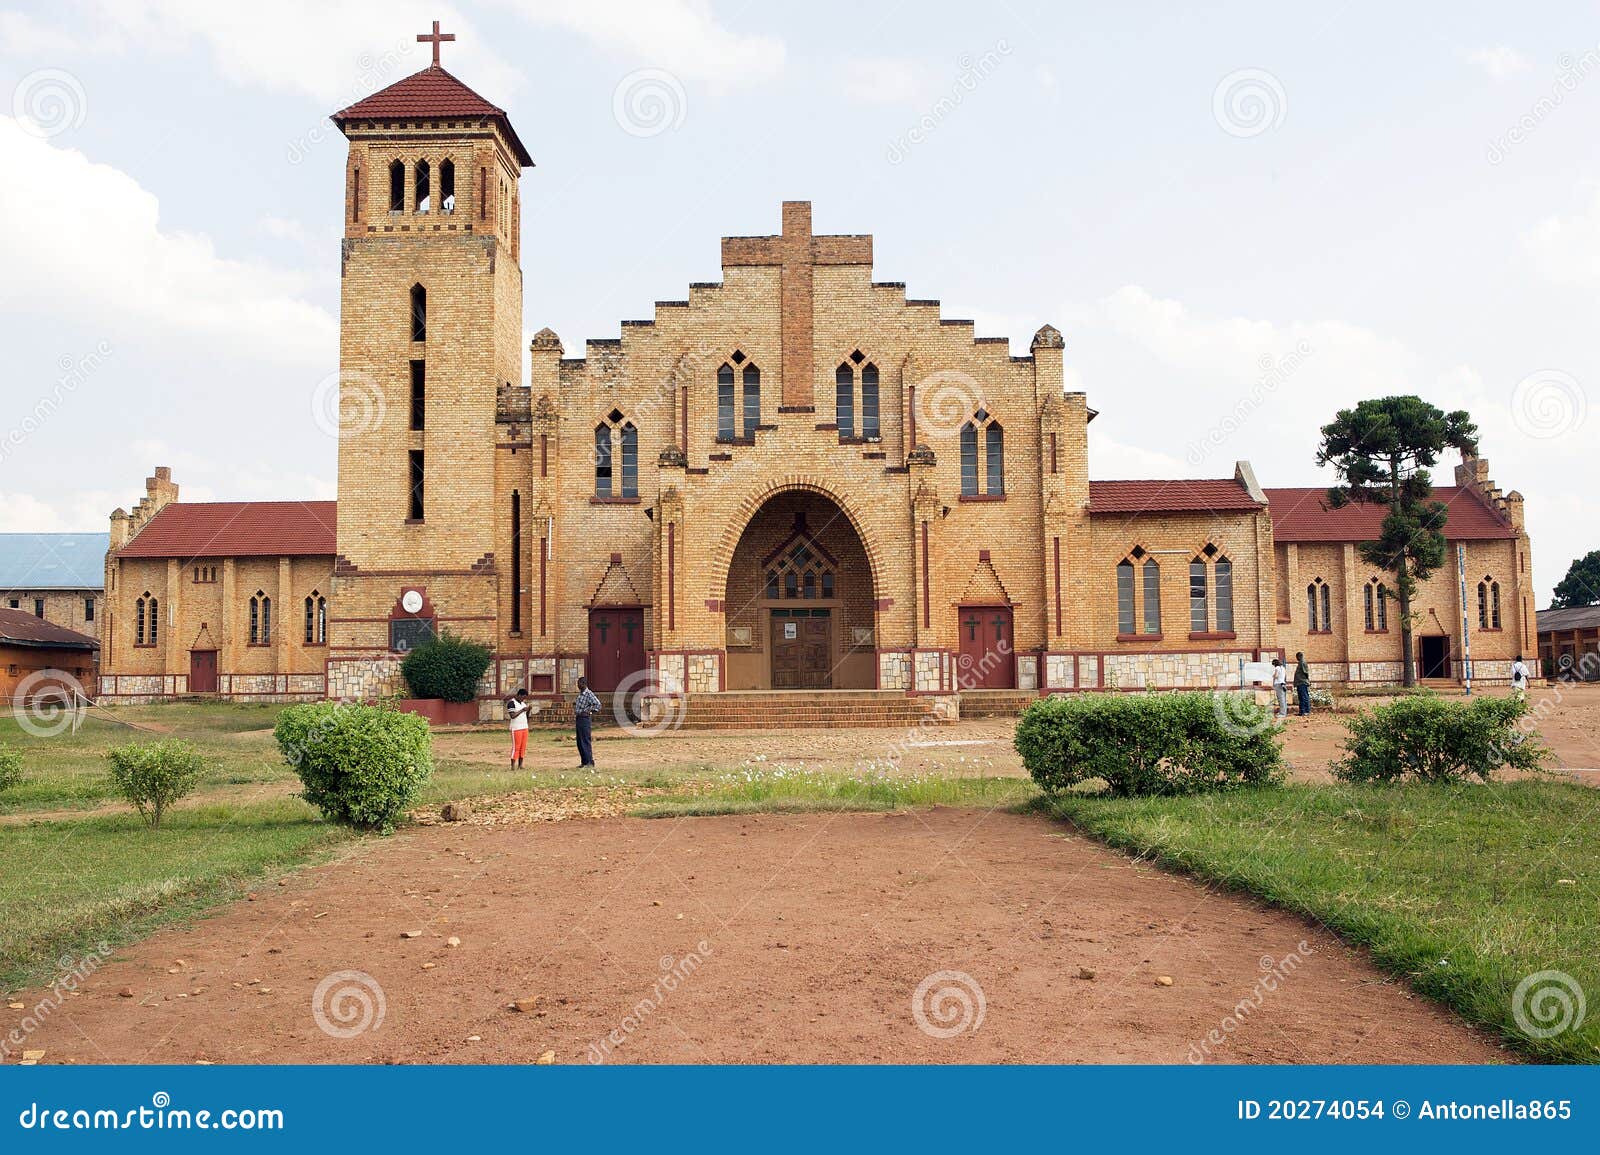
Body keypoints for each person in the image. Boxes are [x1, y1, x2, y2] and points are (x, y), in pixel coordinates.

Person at [573, 676, 602, 769]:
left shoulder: (589, 694)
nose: (578, 685)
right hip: (579, 718)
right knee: (579, 741)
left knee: (585, 740)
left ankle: (590, 762)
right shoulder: (581, 694)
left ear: (583, 684)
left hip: (585, 719)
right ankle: (584, 762)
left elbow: (598, 704)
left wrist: (589, 711)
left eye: (579, 683)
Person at [506, 688, 530, 769]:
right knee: (516, 747)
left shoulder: (523, 704)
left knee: (523, 747)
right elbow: (512, 716)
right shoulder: (511, 703)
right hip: (516, 728)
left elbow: (526, 716)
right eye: (523, 697)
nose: (524, 699)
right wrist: (522, 710)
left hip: (524, 727)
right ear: (519, 695)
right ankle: (512, 766)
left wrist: (528, 710)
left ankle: (520, 765)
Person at [1294, 651, 1312, 717]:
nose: (1296, 658)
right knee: (1301, 697)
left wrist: (1307, 680)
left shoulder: (1302, 662)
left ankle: (1306, 711)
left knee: (1304, 697)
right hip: (1299, 682)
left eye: (1297, 657)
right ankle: (1302, 711)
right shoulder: (1300, 662)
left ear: (1299, 656)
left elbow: (1306, 672)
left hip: (1302, 682)